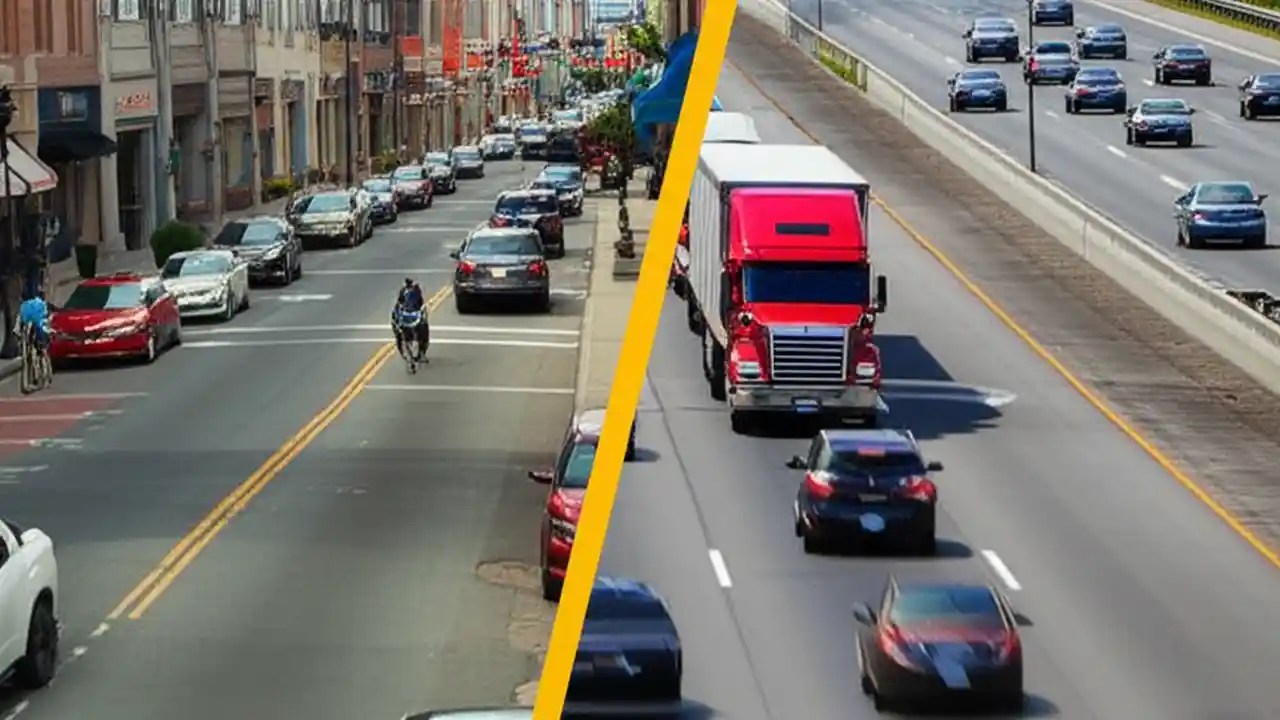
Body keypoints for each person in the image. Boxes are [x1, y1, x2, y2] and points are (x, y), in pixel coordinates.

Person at [391, 277, 429, 362]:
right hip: (405, 316)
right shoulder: (403, 291)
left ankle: (422, 352)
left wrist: (421, 312)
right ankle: (404, 350)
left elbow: (421, 304)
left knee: (423, 327)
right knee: (398, 331)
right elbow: (398, 305)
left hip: (414, 315)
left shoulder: (416, 291)